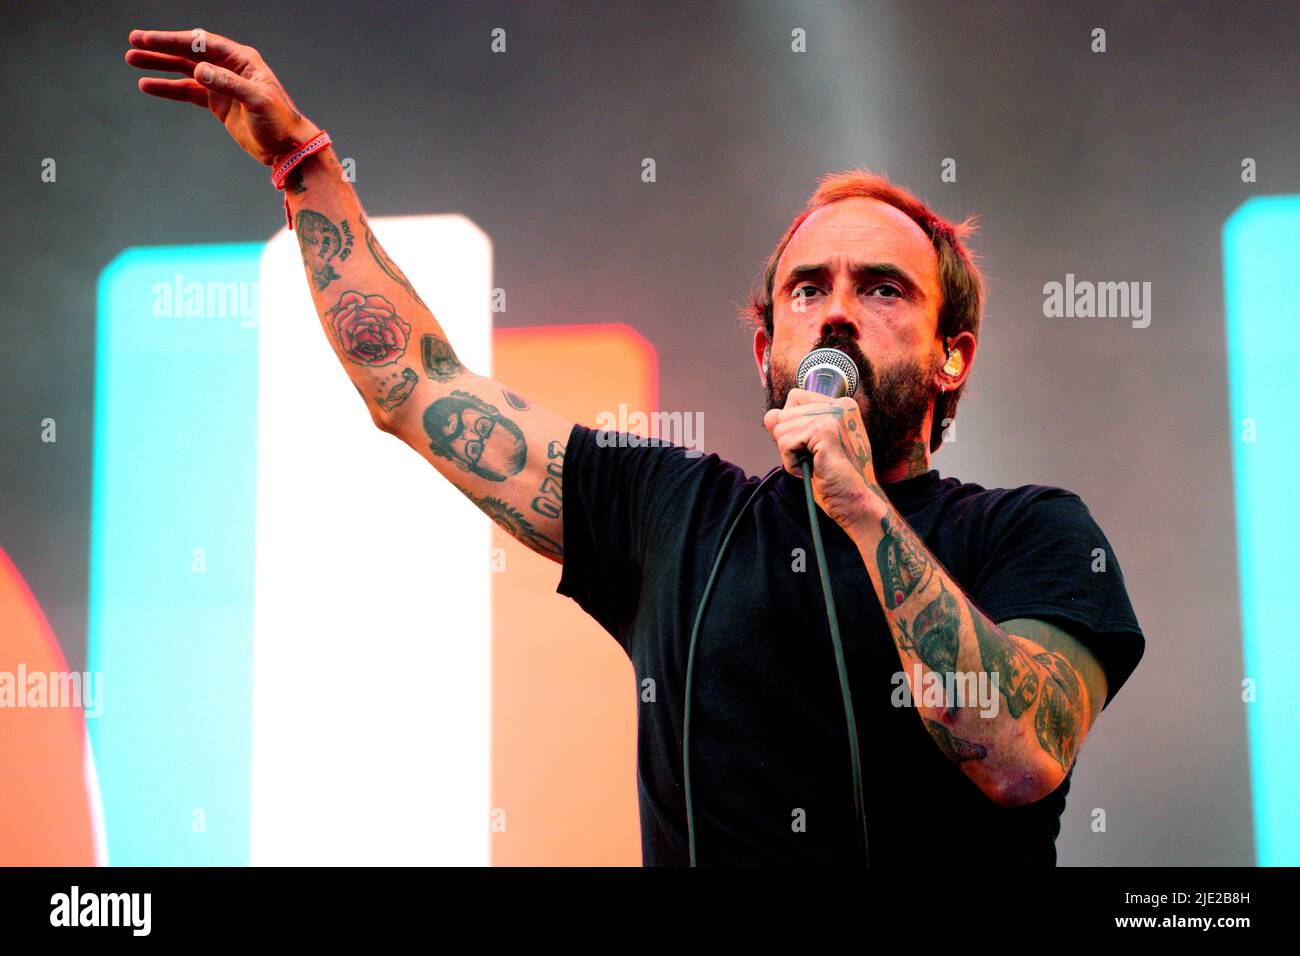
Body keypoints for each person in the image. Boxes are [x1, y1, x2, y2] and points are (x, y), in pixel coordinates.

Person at [127, 28, 1146, 865]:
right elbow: (416, 385)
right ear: (764, 344)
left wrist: (861, 508)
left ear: (950, 354)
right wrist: (301, 162)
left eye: (881, 288)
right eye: (808, 287)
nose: (836, 312)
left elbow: (1017, 754)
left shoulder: (1032, 531)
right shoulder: (674, 513)